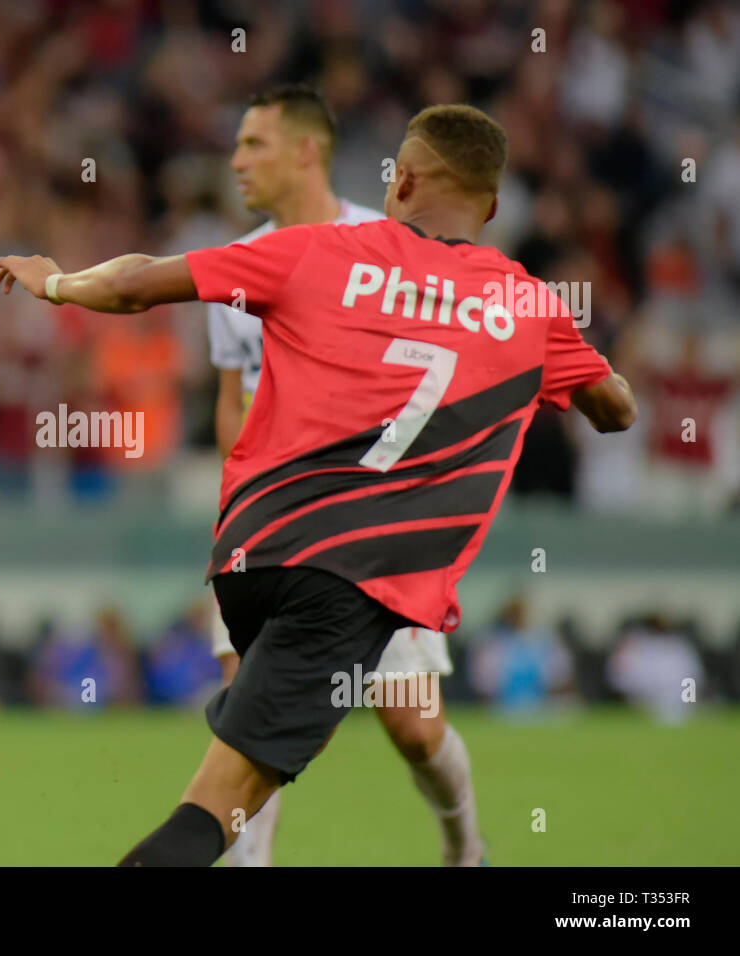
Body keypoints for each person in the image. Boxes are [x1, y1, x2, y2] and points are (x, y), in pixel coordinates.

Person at [0, 104, 637, 866]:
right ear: (491, 207)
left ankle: (456, 849)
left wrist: (56, 283)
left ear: (404, 179)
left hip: (250, 556)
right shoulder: (530, 305)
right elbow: (616, 410)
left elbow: (135, 285)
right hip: (356, 575)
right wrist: (589, 374)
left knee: (280, 770)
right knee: (210, 813)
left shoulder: (317, 253)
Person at [206, 84, 484, 867]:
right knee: (249, 721)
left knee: (414, 728)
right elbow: (232, 403)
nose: (236, 160)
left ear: (307, 150)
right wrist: (234, 510)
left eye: (253, 144)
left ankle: (466, 844)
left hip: (378, 528)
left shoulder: (391, 245)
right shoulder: (234, 270)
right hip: (268, 529)